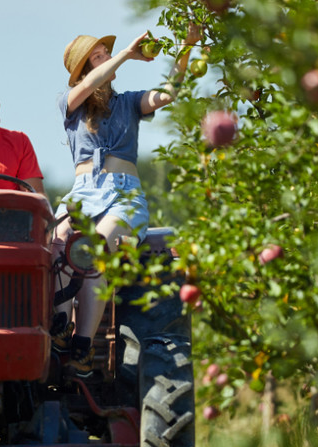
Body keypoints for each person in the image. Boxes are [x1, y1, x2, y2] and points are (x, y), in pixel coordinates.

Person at [53, 27, 201, 371]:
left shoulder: (129, 102)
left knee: (97, 253)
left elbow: (167, 94)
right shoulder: (70, 101)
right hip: (83, 193)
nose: (106, 57)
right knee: (58, 245)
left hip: (122, 193)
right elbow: (90, 86)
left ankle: (83, 347)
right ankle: (59, 327)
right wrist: (126, 56)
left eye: (107, 52)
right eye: (98, 55)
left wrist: (187, 47)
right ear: (84, 71)